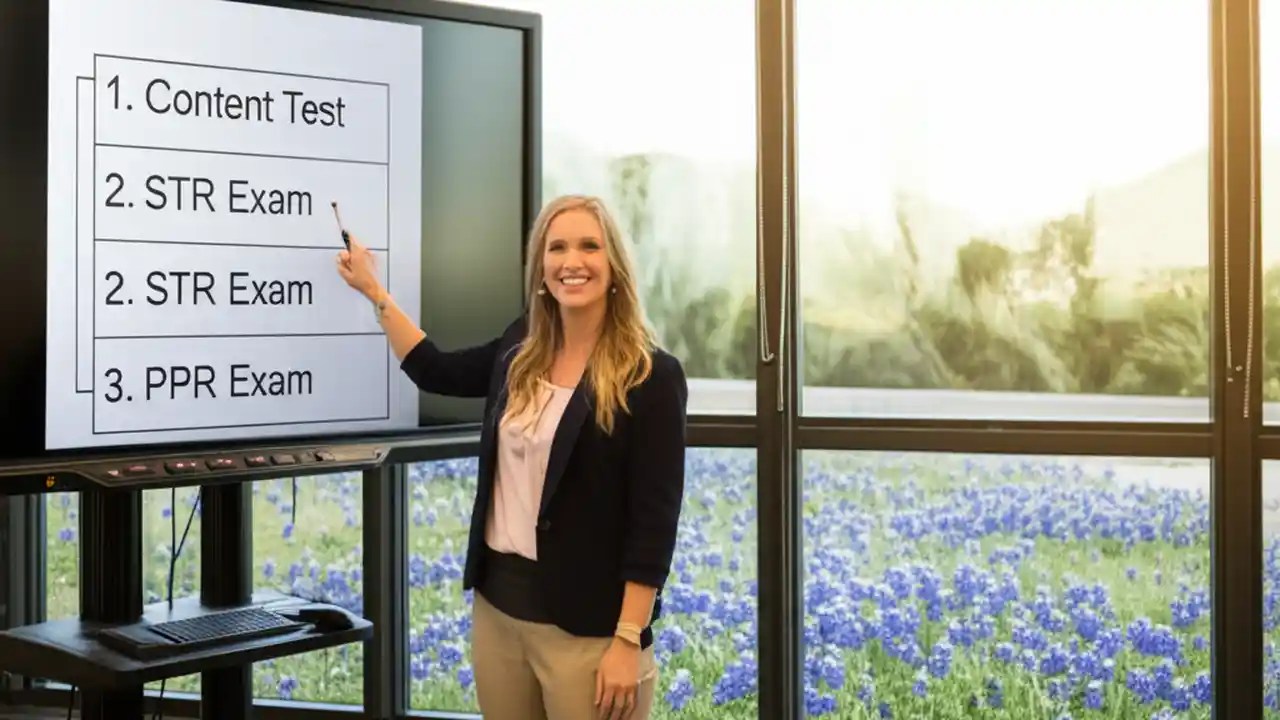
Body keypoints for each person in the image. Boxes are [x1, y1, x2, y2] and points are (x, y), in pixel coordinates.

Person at [335, 194, 688, 720]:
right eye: (557, 247)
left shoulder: (650, 376)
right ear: (540, 268)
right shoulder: (520, 345)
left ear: (614, 264)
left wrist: (627, 639)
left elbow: (654, 524)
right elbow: (437, 371)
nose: (572, 261)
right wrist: (374, 291)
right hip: (498, 611)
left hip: (588, 630)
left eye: (589, 246)